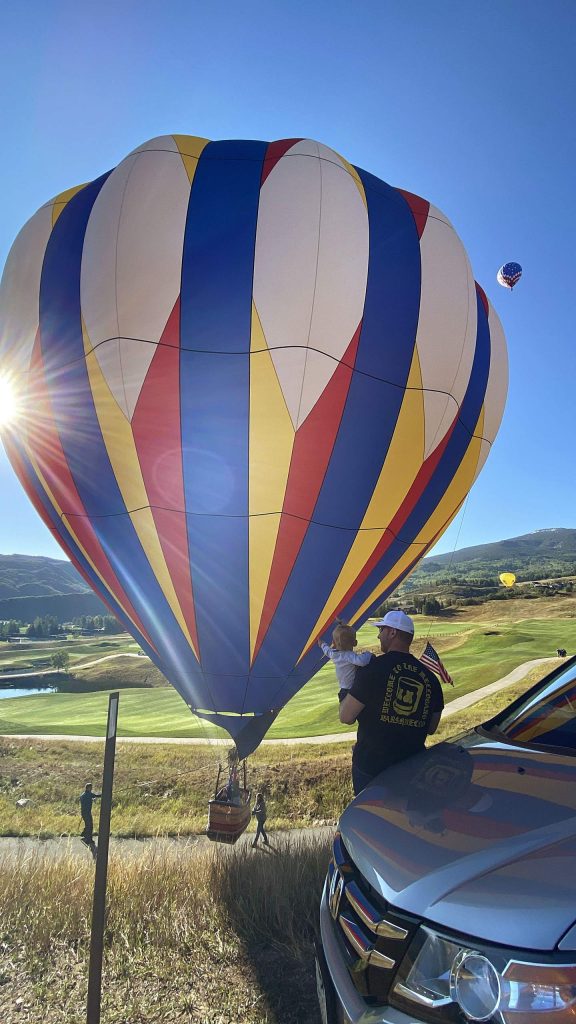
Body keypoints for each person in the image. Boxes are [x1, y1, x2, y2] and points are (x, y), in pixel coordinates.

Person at [339, 610, 444, 795]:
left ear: (392, 632)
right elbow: (431, 728)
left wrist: (344, 688)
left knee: (370, 813)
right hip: (412, 768)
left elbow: (346, 716)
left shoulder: (372, 669)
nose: (378, 636)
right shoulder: (431, 678)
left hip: (371, 769)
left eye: (381, 630)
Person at [318, 622, 373, 701]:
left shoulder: (334, 654)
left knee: (343, 706)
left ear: (333, 643)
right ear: (355, 643)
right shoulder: (349, 656)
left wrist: (322, 644)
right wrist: (368, 654)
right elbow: (362, 661)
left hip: (343, 690)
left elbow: (327, 651)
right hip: (352, 690)